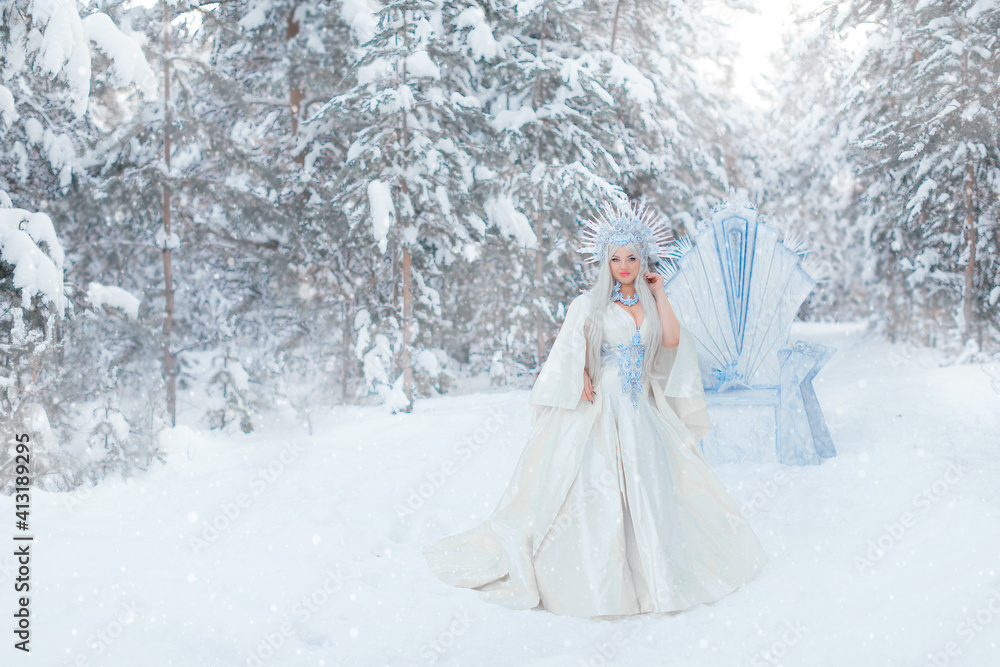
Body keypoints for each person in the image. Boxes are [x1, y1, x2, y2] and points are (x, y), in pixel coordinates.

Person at [421, 200, 768, 618]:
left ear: (643, 260)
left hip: (640, 407)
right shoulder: (590, 304)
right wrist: (580, 374)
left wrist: (659, 293)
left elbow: (673, 342)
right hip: (604, 402)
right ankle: (599, 576)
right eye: (616, 258)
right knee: (597, 480)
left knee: (651, 478)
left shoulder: (651, 302)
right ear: (606, 262)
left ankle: (658, 571)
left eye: (632, 258)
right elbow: (569, 350)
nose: (624, 265)